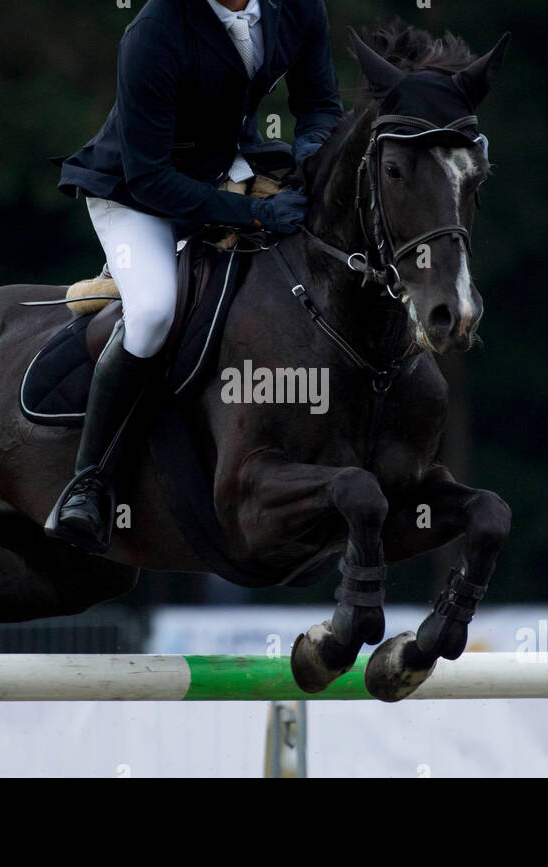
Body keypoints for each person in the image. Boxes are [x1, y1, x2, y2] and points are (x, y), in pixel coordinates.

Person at [49, 0, 344, 548]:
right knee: (155, 310)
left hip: (232, 166)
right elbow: (150, 177)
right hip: (136, 194)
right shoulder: (156, 30)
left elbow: (320, 105)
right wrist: (253, 212)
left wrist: (309, 161)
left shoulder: (299, 7)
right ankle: (88, 482)